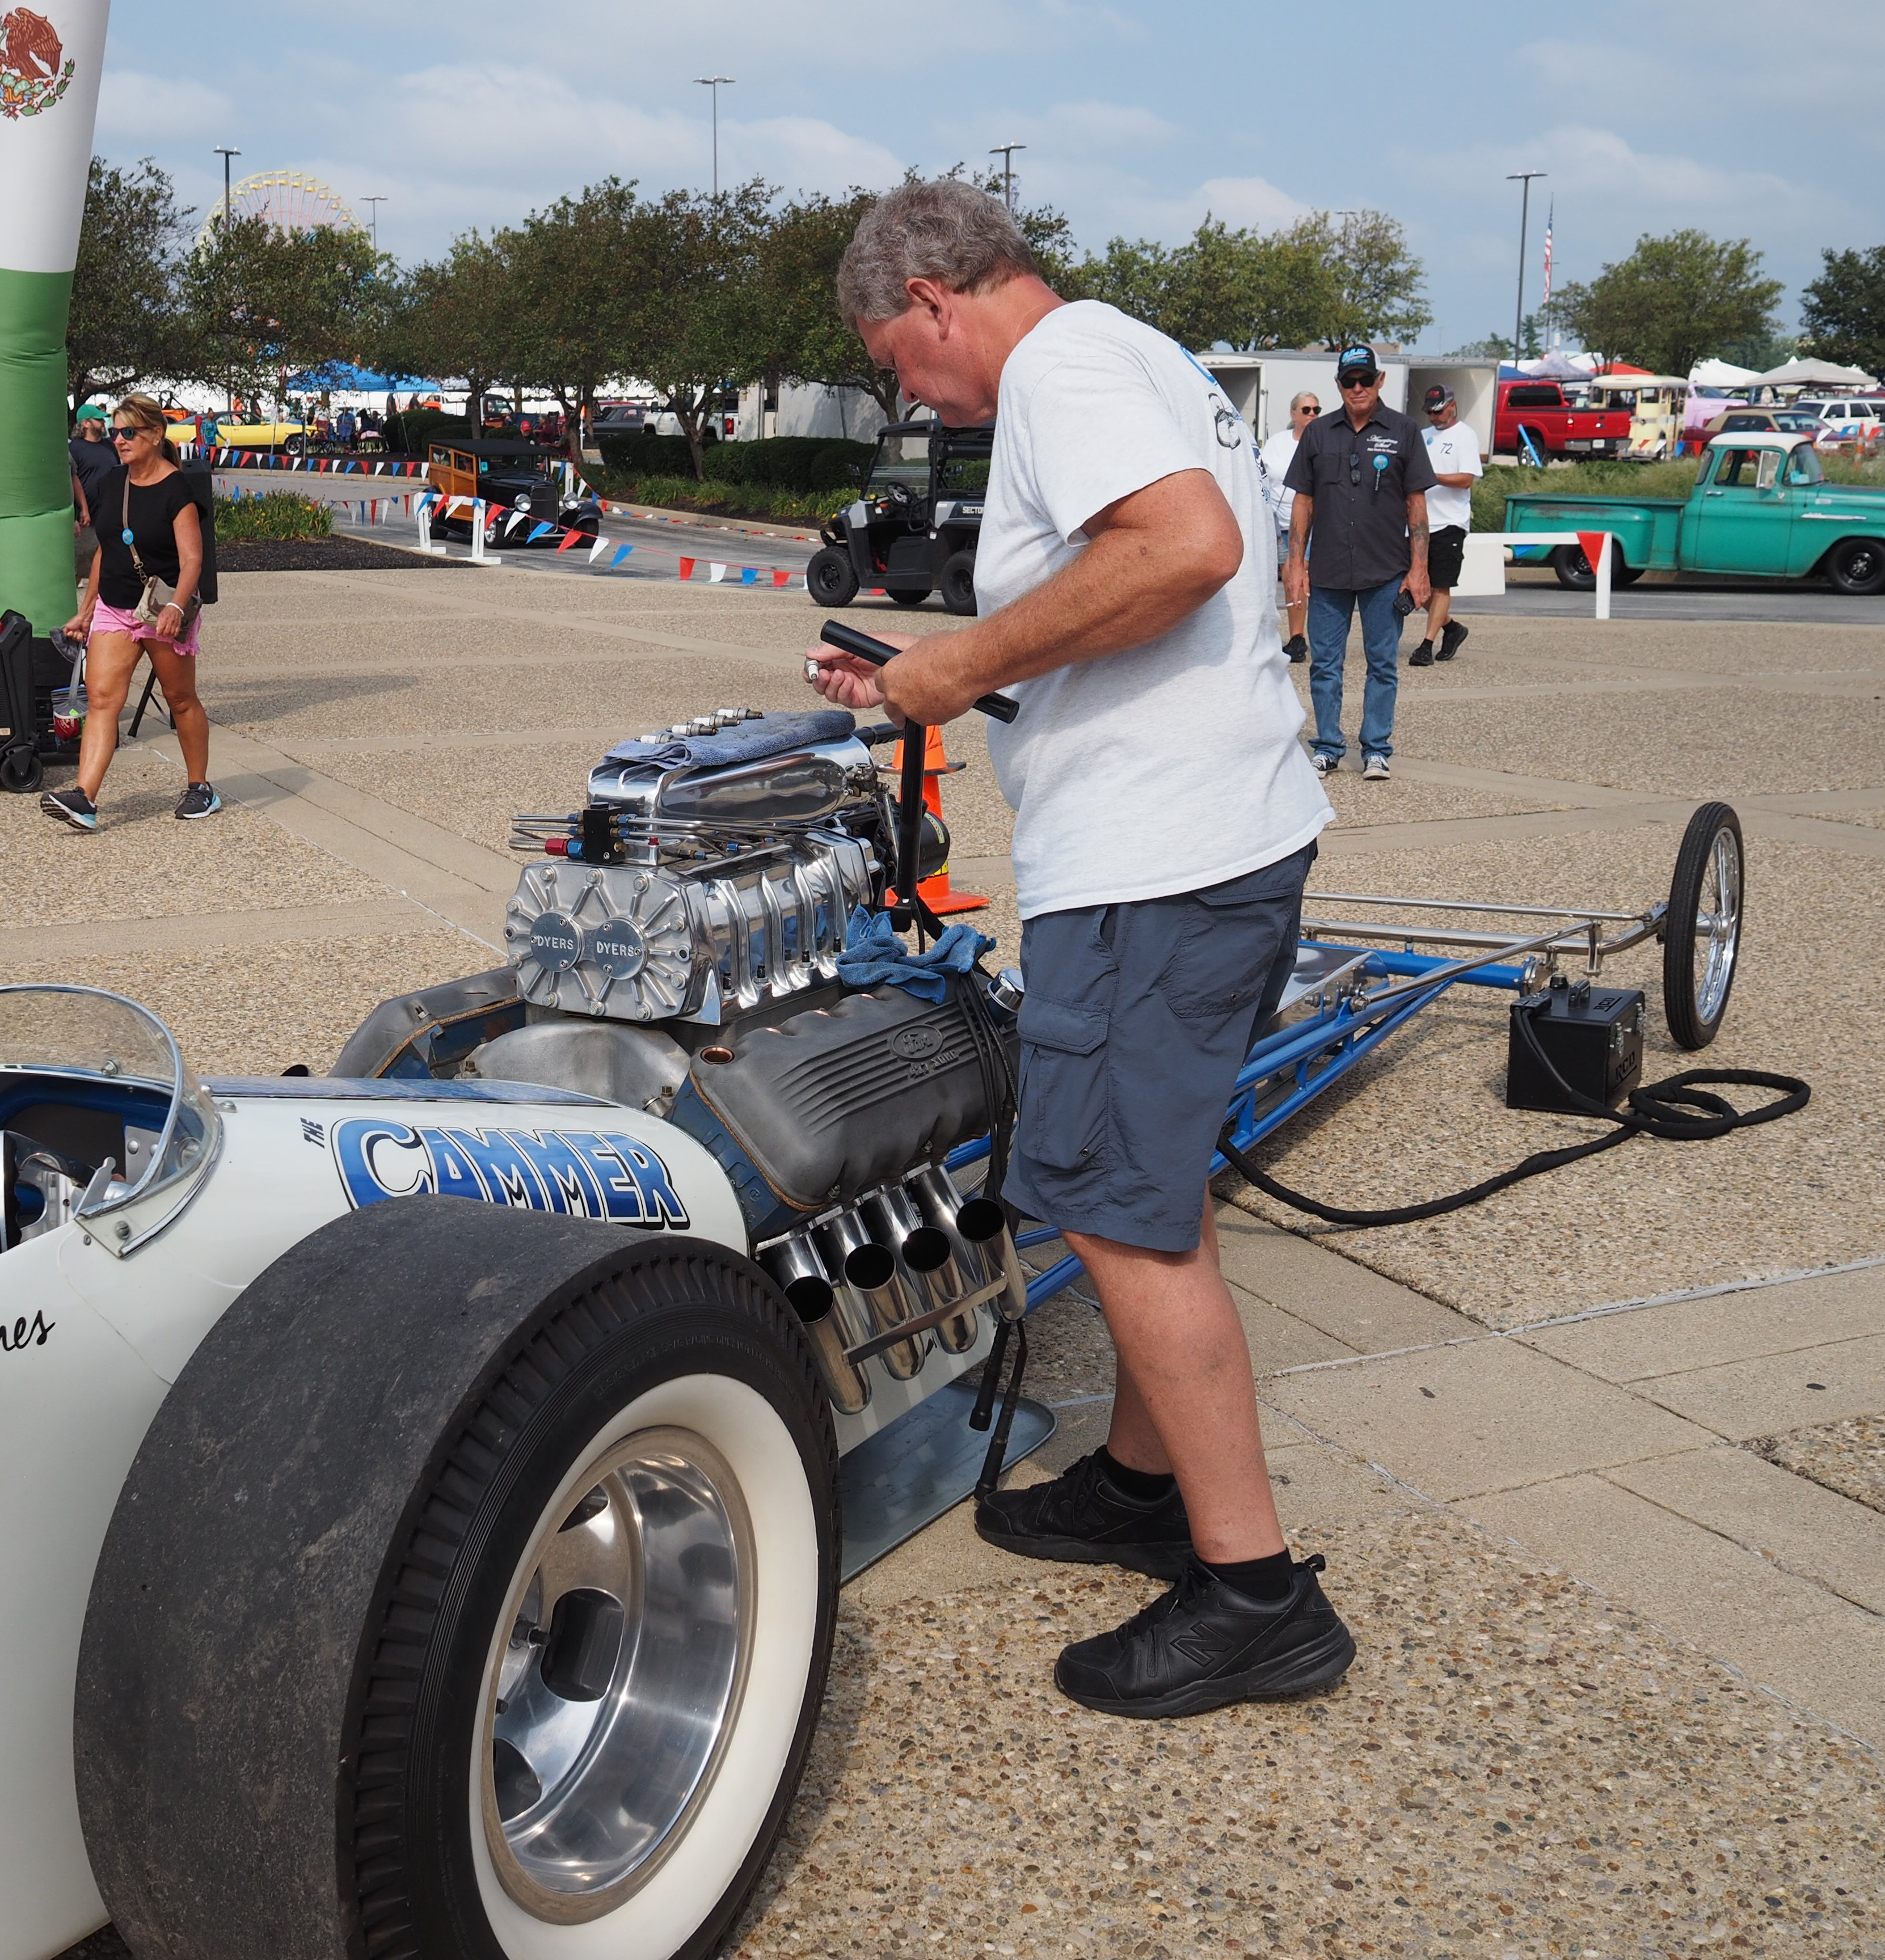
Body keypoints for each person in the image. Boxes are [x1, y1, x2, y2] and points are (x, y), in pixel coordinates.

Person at [803, 179, 1352, 1721]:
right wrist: (926, 676)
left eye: (897, 364)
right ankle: (1140, 1481)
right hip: (1208, 835)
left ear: (930, 299)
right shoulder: (1128, 350)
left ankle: (1255, 1595)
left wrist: (962, 659)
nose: (914, 399)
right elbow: (1138, 612)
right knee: (1147, 1181)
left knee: (1117, 1209)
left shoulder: (1061, 366)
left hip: (1158, 861)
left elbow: (1179, 549)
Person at [43, 394, 222, 831]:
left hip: (161, 610)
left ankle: (200, 787)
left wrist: (177, 606)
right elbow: (106, 550)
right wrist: (87, 609)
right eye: (115, 432)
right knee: (102, 701)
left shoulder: (176, 489)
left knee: (181, 700)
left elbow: (193, 559)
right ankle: (84, 797)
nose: (119, 440)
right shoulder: (112, 482)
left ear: (155, 435)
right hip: (115, 608)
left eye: (128, 432)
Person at [1283, 348, 1433, 780]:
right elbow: (1303, 502)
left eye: (1366, 379)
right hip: (1329, 571)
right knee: (1325, 665)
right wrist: (1296, 564)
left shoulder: (1404, 431)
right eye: (1349, 381)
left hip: (1385, 571)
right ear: (1339, 385)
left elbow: (1416, 505)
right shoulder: (1318, 433)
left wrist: (1419, 569)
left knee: (1382, 664)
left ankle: (1376, 750)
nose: (1358, 388)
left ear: (1380, 380)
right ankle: (1328, 746)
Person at [1411, 385, 1481, 667]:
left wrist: (1432, 476)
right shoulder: (1422, 436)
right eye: (1429, 412)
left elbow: (1466, 479)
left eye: (1438, 411)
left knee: (1440, 585)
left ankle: (1426, 645)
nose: (1434, 417)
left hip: (1450, 520)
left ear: (1452, 406)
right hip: (1419, 522)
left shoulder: (1466, 435)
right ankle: (1451, 628)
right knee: (1414, 583)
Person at [1258, 394, 1318, 662]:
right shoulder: (1277, 444)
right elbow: (1261, 476)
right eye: (1306, 409)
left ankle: (1299, 636)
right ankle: (1296, 636)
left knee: (1300, 570)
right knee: (1290, 574)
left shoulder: (1323, 440)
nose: (1312, 414)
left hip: (1315, 522)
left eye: (1316, 409)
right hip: (1282, 522)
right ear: (1294, 414)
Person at [68, 402, 118, 582]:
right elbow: (72, 481)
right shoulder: (74, 448)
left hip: (109, 516)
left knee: (106, 569)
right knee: (78, 568)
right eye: (99, 420)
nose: (103, 423)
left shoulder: (109, 446)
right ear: (85, 423)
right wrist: (80, 511)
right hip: (86, 522)